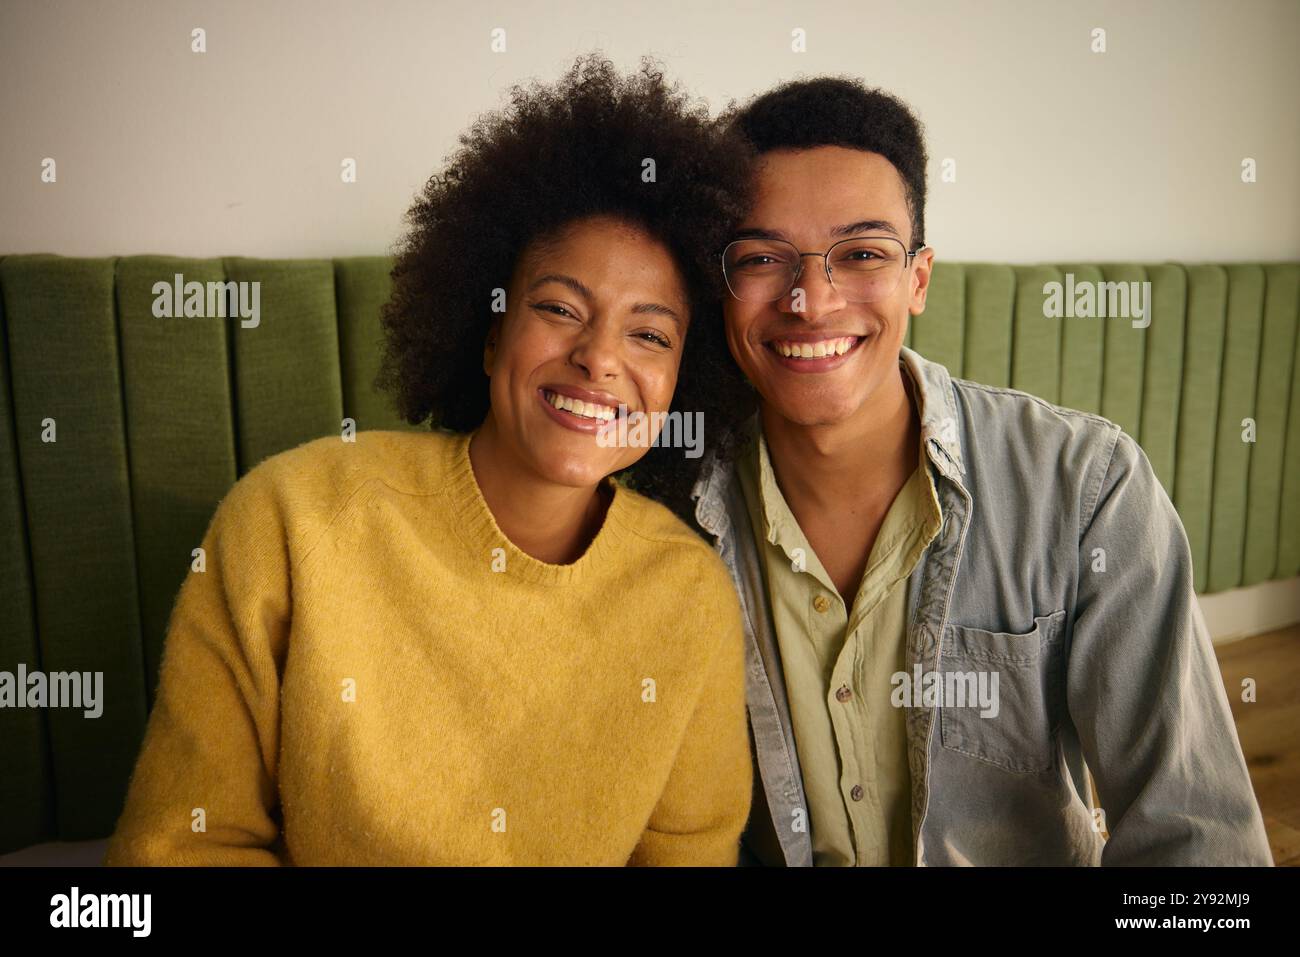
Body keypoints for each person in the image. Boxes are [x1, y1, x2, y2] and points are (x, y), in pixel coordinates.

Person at [104, 55, 755, 866]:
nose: (599, 358)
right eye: (559, 308)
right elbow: (176, 849)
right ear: (489, 334)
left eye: (649, 334)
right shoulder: (291, 520)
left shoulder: (688, 599)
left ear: (682, 381)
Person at [687, 76, 1273, 866]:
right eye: (763, 257)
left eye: (862, 254)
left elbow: (1200, 845)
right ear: (722, 287)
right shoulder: (673, 508)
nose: (810, 299)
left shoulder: (1088, 490)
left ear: (919, 280)